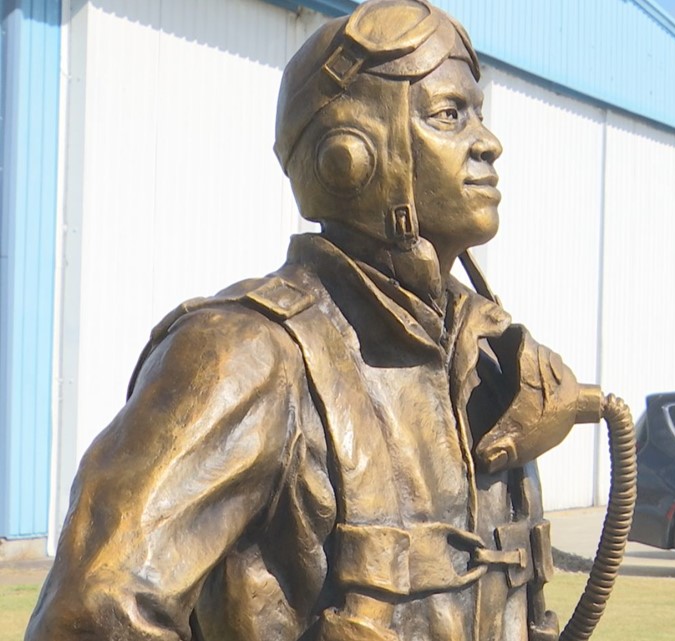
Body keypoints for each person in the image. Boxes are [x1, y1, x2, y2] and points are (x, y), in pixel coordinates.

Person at [24, 2, 596, 640]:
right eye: (448, 115)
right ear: (349, 155)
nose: (488, 143)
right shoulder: (246, 353)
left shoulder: (490, 362)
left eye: (478, 115)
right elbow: (92, 616)